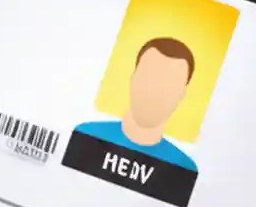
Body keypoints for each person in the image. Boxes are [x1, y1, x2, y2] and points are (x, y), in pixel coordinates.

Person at [75, 37, 198, 171]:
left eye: (169, 83)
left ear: (182, 93)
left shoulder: (183, 169)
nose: (155, 90)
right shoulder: (86, 136)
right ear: (133, 77)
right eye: (149, 76)